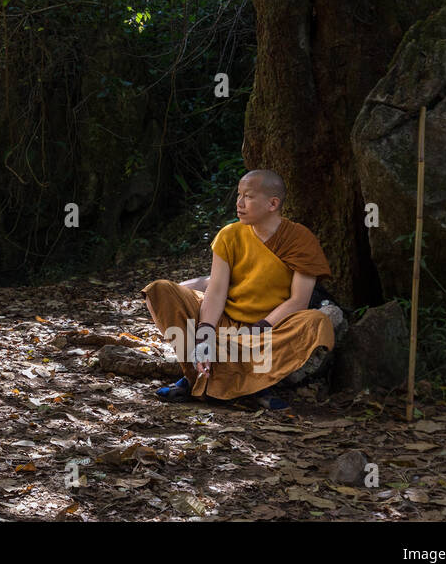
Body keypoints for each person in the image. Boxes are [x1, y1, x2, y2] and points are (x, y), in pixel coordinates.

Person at [141, 169, 335, 411]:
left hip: (269, 329)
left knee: (315, 322)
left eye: (248, 197)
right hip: (224, 321)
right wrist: (204, 335)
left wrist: (256, 331)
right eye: (239, 195)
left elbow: (298, 301)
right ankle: (196, 374)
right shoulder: (229, 234)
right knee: (161, 290)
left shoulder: (300, 240)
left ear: (273, 203)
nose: (239, 203)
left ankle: (242, 384)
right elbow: (216, 291)